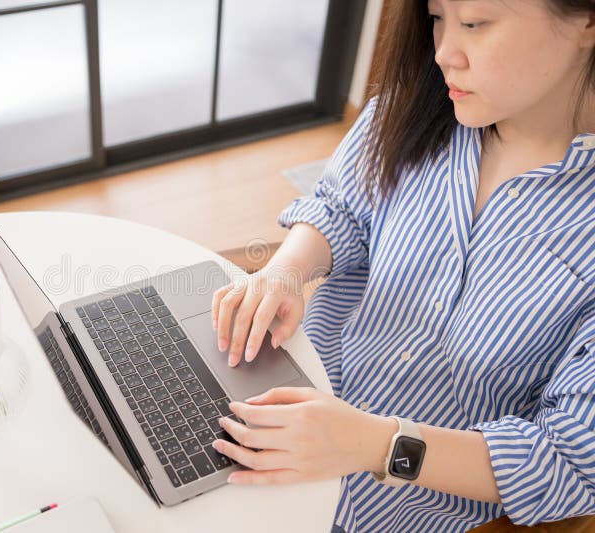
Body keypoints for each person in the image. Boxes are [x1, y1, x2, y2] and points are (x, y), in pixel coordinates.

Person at [209, 1, 595, 531]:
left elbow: (568, 461)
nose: (443, 53)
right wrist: (287, 271)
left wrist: (374, 445)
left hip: (389, 511)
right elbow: (341, 207)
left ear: (587, 23)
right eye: (438, 17)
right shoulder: (417, 107)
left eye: (475, 24)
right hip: (276, 392)